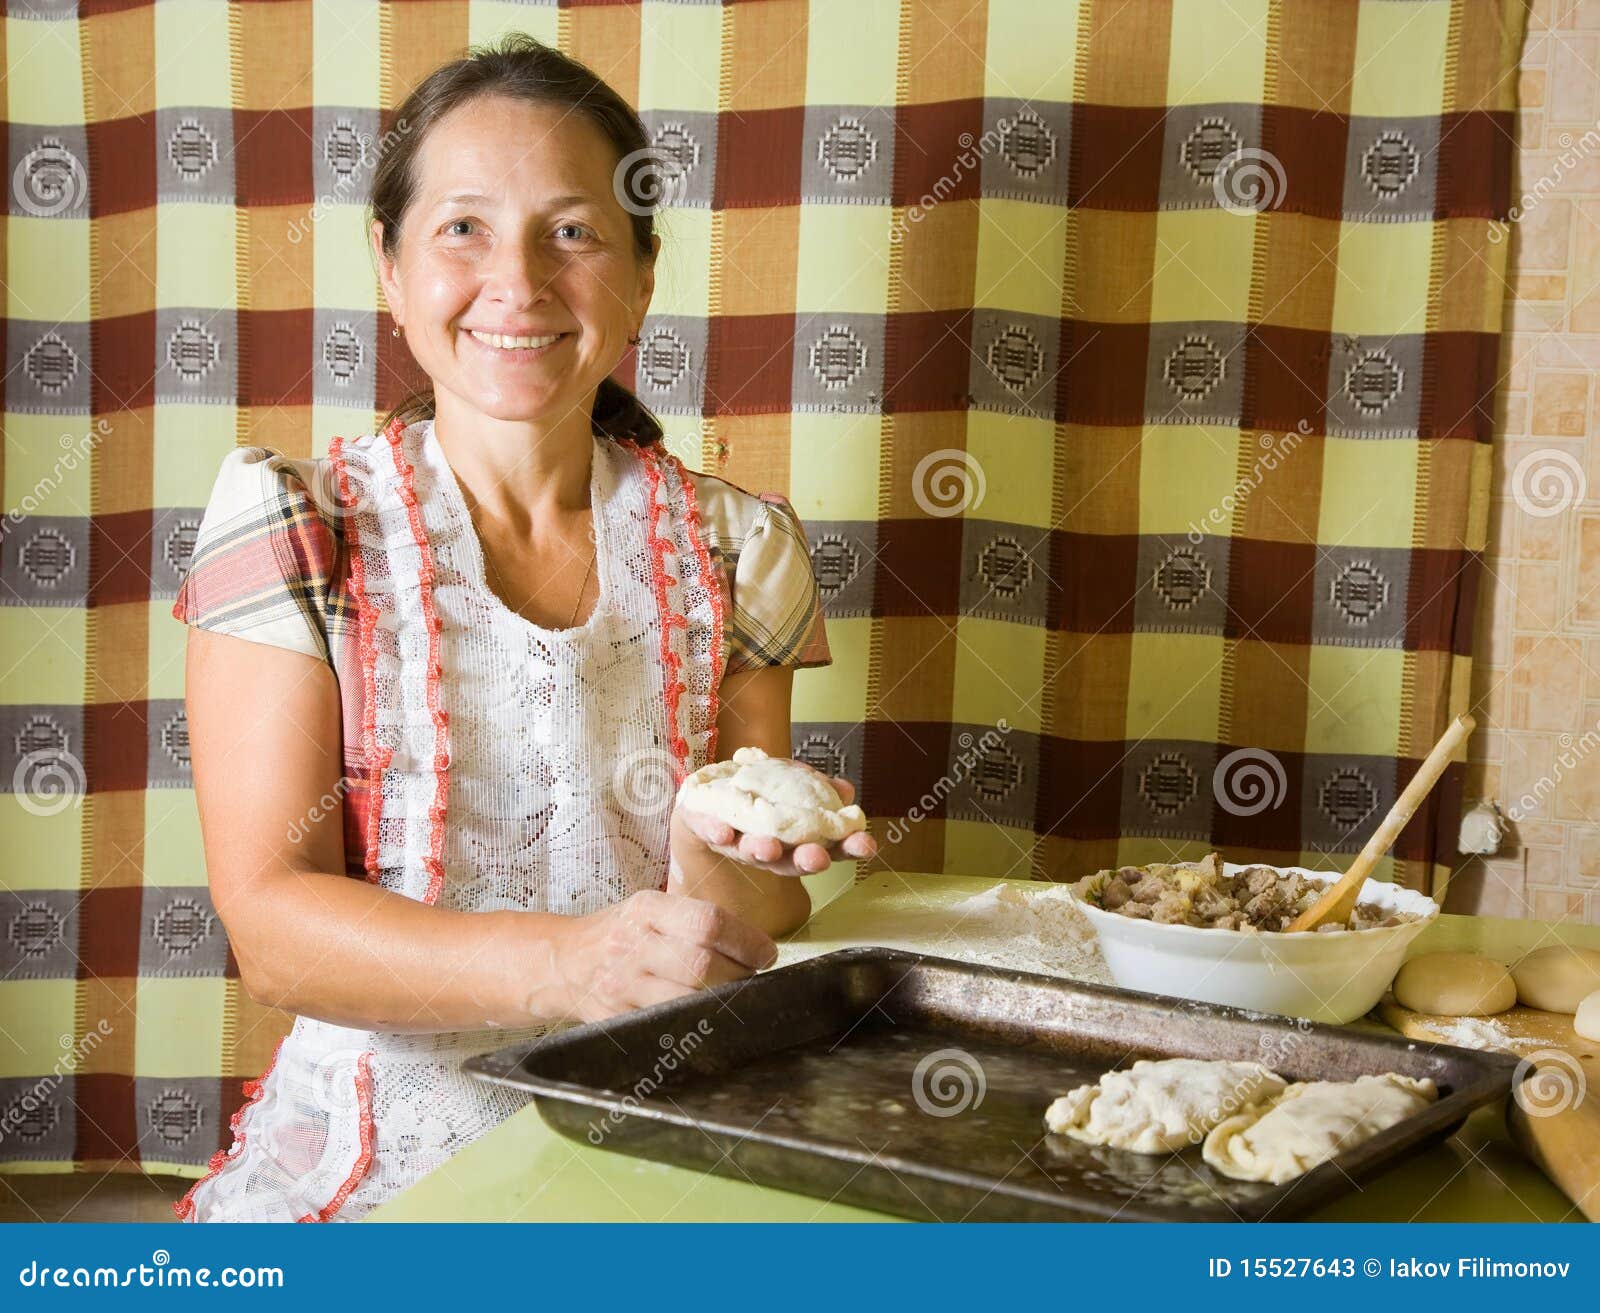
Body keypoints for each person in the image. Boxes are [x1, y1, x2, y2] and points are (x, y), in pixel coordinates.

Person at [170, 34, 875, 1223]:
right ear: (389, 269)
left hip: (655, 1136)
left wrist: (740, 858)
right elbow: (273, 924)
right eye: (461, 228)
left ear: (643, 274)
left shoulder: (739, 545)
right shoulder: (295, 522)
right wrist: (563, 963)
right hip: (382, 1164)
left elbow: (740, 914)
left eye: (574, 231)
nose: (520, 282)